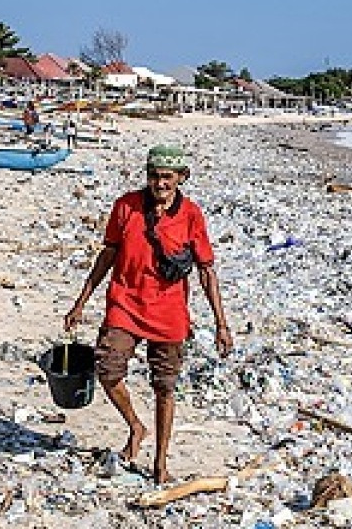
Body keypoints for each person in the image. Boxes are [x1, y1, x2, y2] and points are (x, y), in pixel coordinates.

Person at [64, 145, 232, 484]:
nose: (160, 183)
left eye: (167, 177)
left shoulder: (192, 216)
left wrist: (221, 324)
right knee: (107, 369)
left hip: (169, 313)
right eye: (154, 176)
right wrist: (81, 300)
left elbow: (206, 271)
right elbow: (108, 254)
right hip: (124, 302)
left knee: (164, 387)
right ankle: (135, 426)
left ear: (181, 178)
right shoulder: (126, 206)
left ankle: (160, 463)